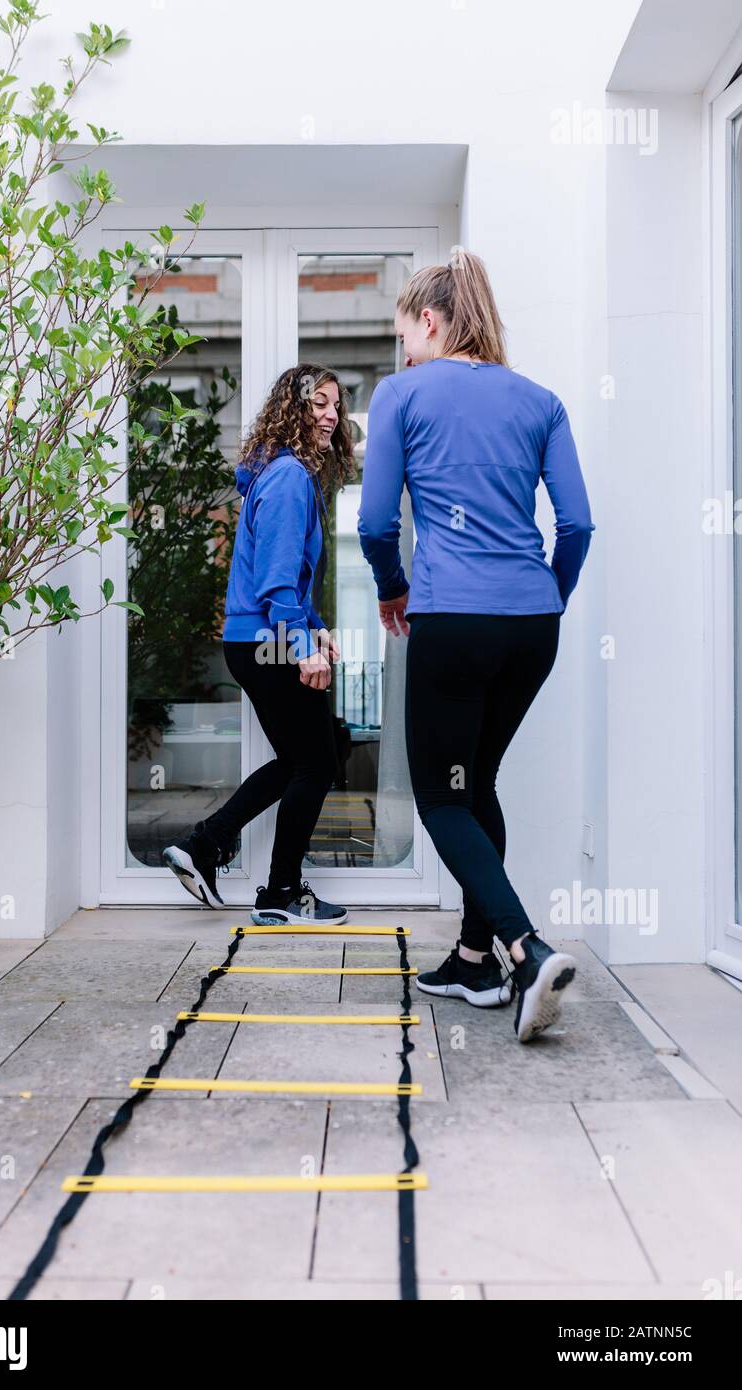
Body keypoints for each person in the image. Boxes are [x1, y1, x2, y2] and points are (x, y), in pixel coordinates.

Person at [357, 247, 595, 1043]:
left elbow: (375, 522)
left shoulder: (401, 395)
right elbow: (579, 524)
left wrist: (392, 587)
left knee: (442, 796)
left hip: (452, 620)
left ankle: (526, 952)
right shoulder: (541, 401)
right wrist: (545, 597)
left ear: (430, 320)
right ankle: (472, 959)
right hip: (532, 627)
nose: (404, 353)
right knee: (476, 779)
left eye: (406, 335)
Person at [162, 365, 355, 925]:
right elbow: (273, 583)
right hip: (266, 641)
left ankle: (208, 845)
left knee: (304, 759)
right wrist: (303, 648)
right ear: (292, 408)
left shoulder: (276, 474)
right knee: (318, 763)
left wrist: (315, 627)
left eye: (336, 405)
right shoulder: (290, 477)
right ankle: (281, 892)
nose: (330, 414)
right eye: (318, 403)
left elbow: (284, 579)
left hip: (258, 639)